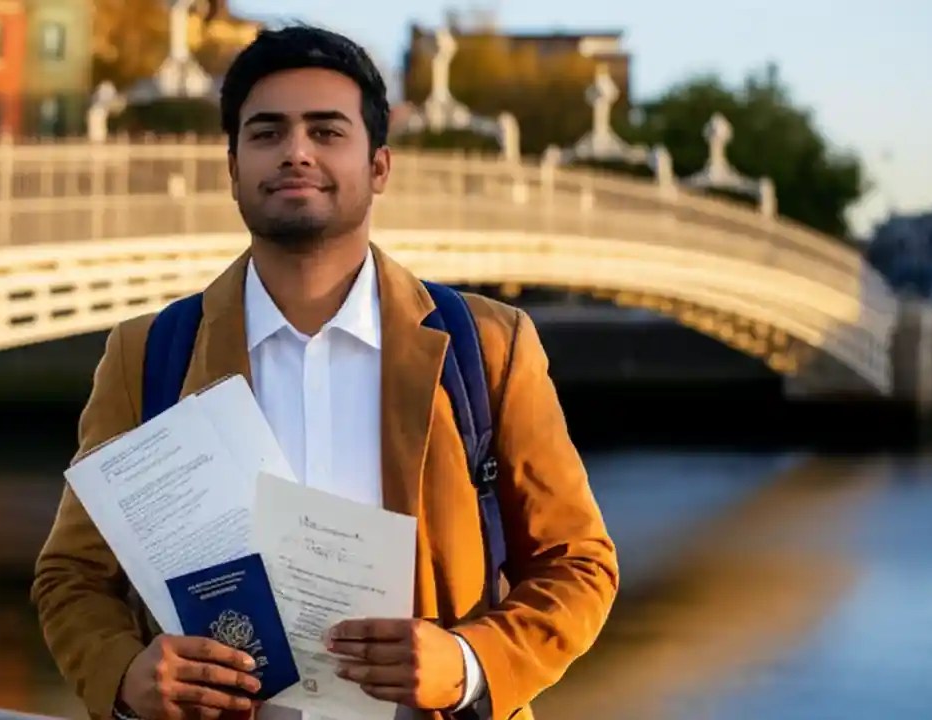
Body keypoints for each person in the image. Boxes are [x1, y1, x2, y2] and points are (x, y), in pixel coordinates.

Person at [31, 25, 619, 720]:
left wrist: (469, 663)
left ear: (379, 167)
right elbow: (72, 575)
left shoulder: (487, 346)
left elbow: (579, 564)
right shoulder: (148, 354)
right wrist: (127, 675)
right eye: (267, 133)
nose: (296, 152)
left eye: (326, 131)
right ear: (233, 168)